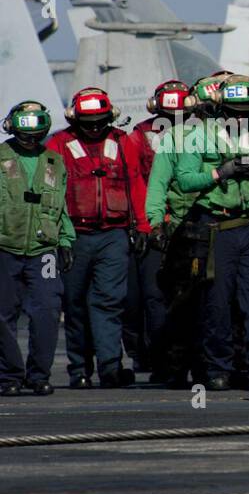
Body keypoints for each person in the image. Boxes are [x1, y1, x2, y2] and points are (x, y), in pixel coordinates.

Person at [174, 74, 249, 391]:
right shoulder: (199, 135)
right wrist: (218, 173)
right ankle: (217, 367)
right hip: (215, 227)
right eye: (235, 111)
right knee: (216, 300)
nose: (241, 117)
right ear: (221, 107)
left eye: (246, 111)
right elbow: (185, 179)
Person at [46, 87, 148, 389]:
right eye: (87, 123)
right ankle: (79, 369)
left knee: (108, 302)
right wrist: (59, 238)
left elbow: (136, 185)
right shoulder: (59, 145)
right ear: (75, 120)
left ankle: (110, 368)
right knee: (74, 303)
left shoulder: (121, 141)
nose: (93, 128)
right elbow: (51, 195)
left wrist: (142, 227)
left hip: (113, 236)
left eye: (99, 122)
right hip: (74, 235)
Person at [0, 101, 74, 396]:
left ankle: (39, 375)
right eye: (24, 130)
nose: (30, 137)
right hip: (5, 245)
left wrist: (66, 241)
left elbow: (62, 207)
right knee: (3, 313)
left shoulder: (55, 162)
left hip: (43, 247)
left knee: (47, 310)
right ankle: (9, 375)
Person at [122, 80, 189, 382]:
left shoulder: (205, 135)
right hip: (154, 228)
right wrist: (145, 225)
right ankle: (155, 357)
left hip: (191, 228)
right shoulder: (139, 137)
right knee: (151, 296)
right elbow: (135, 182)